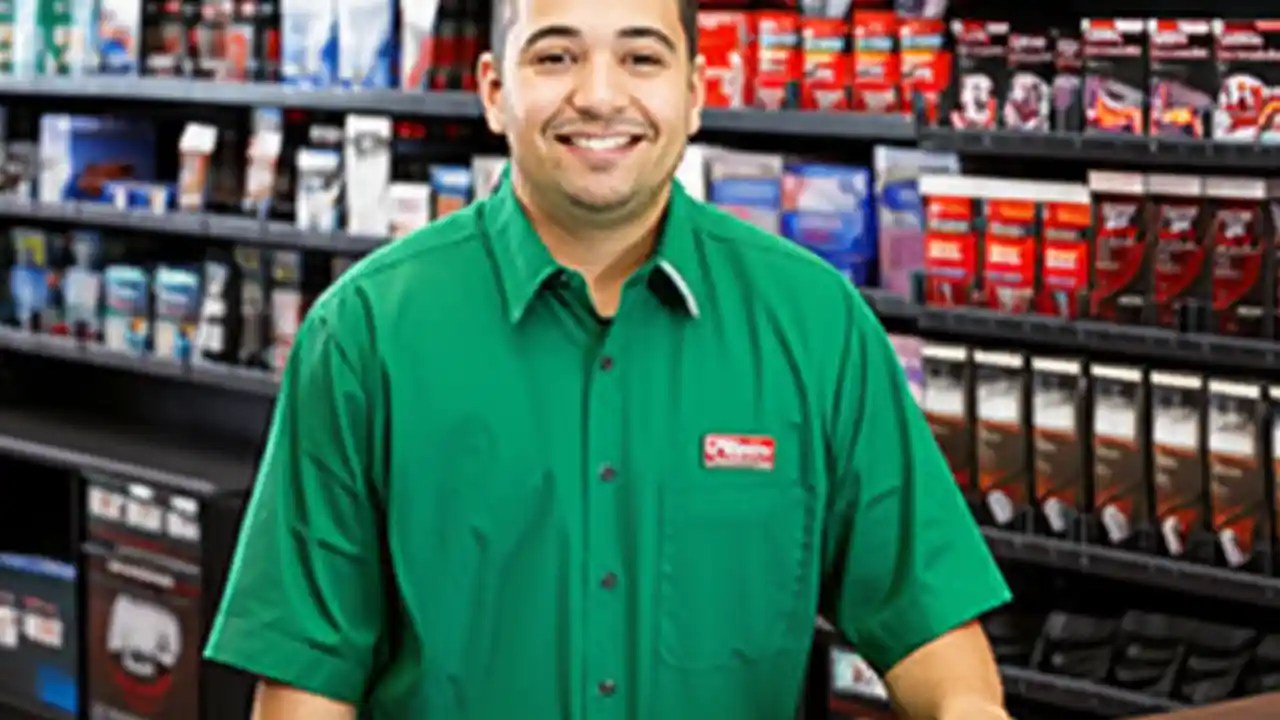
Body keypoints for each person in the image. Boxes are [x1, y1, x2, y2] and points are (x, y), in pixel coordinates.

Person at [203, 0, 1014, 717]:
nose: (598, 95)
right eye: (555, 56)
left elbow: (927, 614)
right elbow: (307, 684)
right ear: (494, 91)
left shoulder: (814, 323)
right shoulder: (365, 334)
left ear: (694, 92)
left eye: (641, 57)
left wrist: (966, 709)